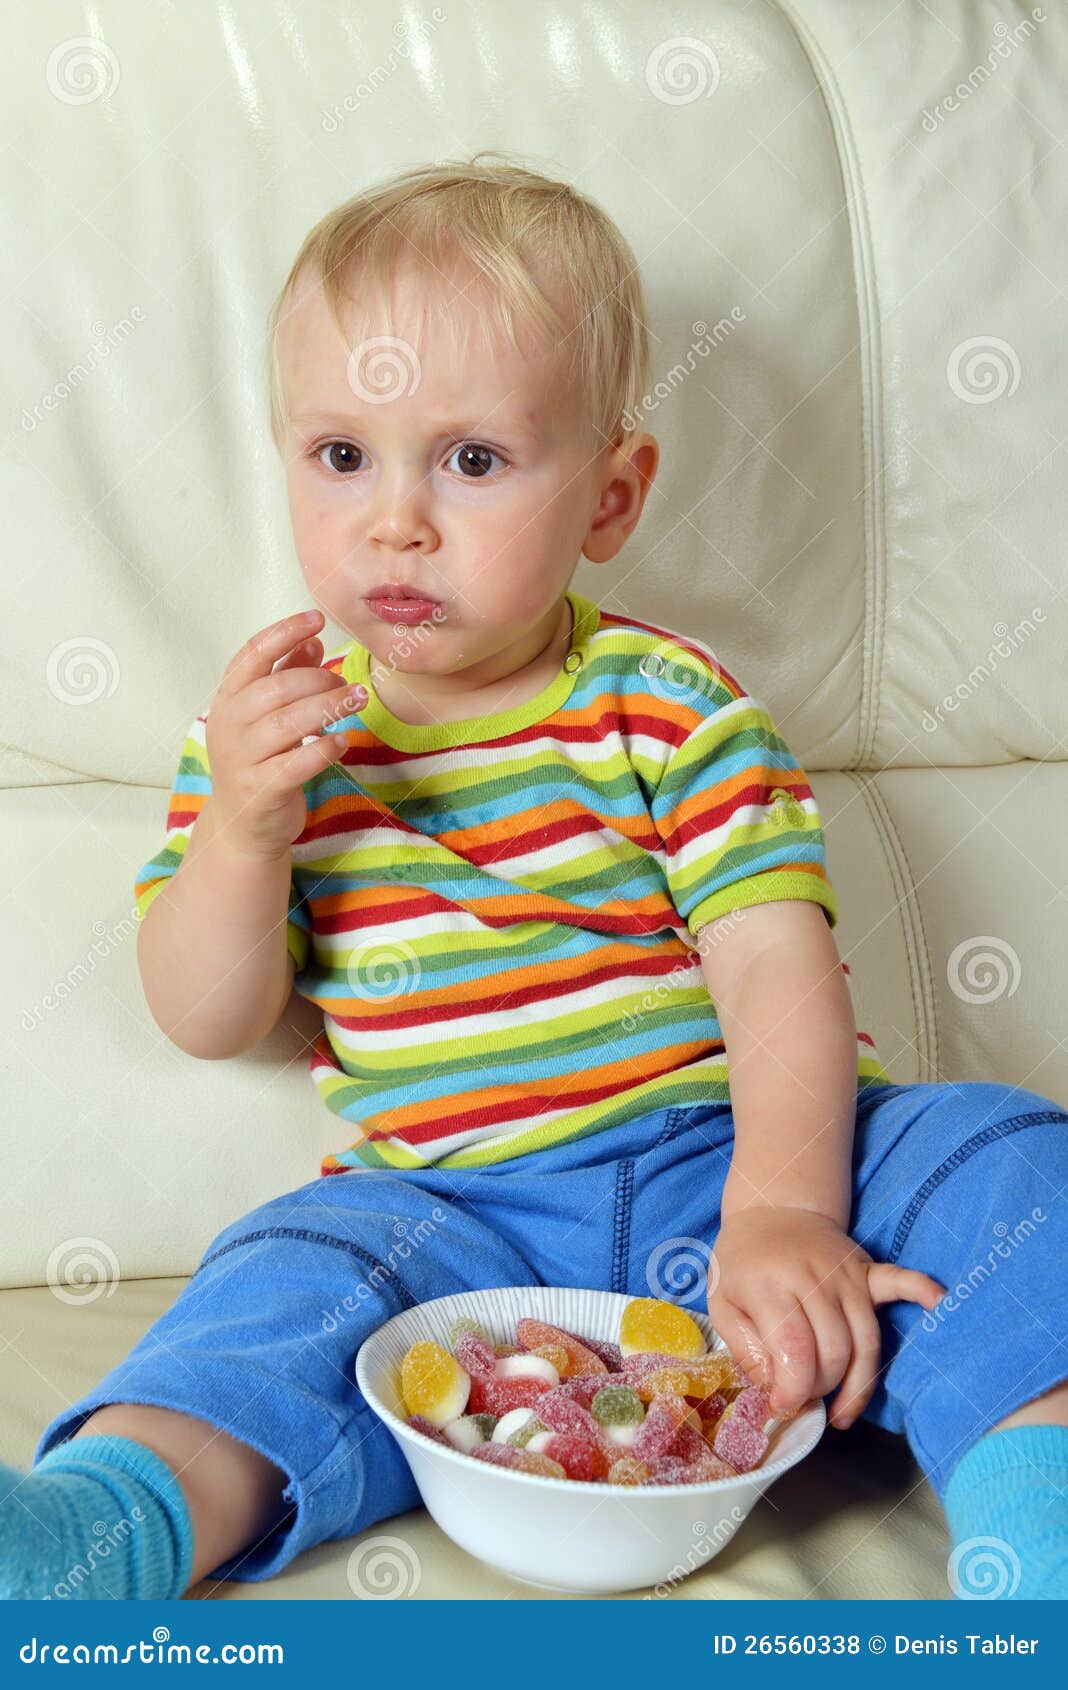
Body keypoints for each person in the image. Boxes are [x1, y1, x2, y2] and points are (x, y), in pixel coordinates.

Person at [2, 153, 1065, 1603]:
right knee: (281, 1279)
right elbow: (209, 1015)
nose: (396, 520)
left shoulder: (669, 708)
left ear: (610, 498)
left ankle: (1037, 1529)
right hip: (449, 1217)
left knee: (1002, 1158)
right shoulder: (267, 739)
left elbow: (777, 971)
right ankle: (96, 1532)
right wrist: (245, 832)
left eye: (473, 461)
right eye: (341, 456)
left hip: (726, 1162)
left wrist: (784, 1210)